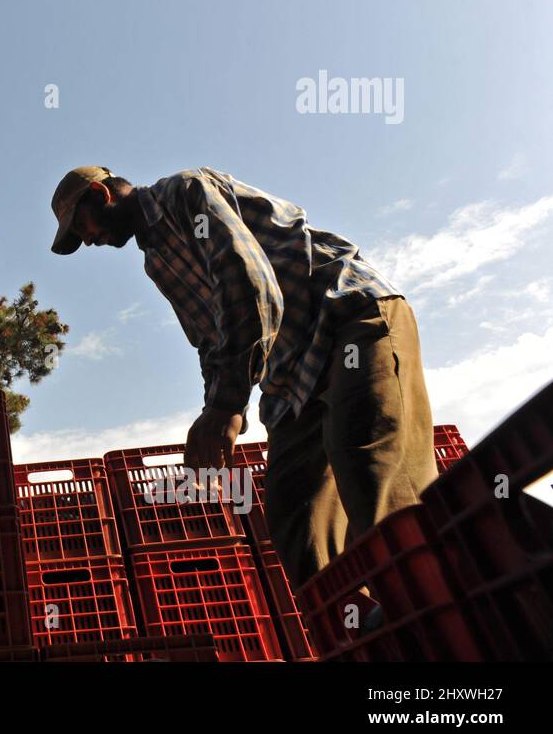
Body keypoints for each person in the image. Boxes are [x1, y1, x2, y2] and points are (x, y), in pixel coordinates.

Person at [49, 165, 436, 590]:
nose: (87, 240)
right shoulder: (157, 262)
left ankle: (439, 609)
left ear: (102, 195)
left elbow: (248, 279)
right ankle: (359, 634)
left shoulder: (185, 193)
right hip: (292, 376)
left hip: (347, 320)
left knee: (371, 471)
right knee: (296, 518)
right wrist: (211, 411)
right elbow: (208, 341)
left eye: (79, 226)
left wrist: (227, 405)